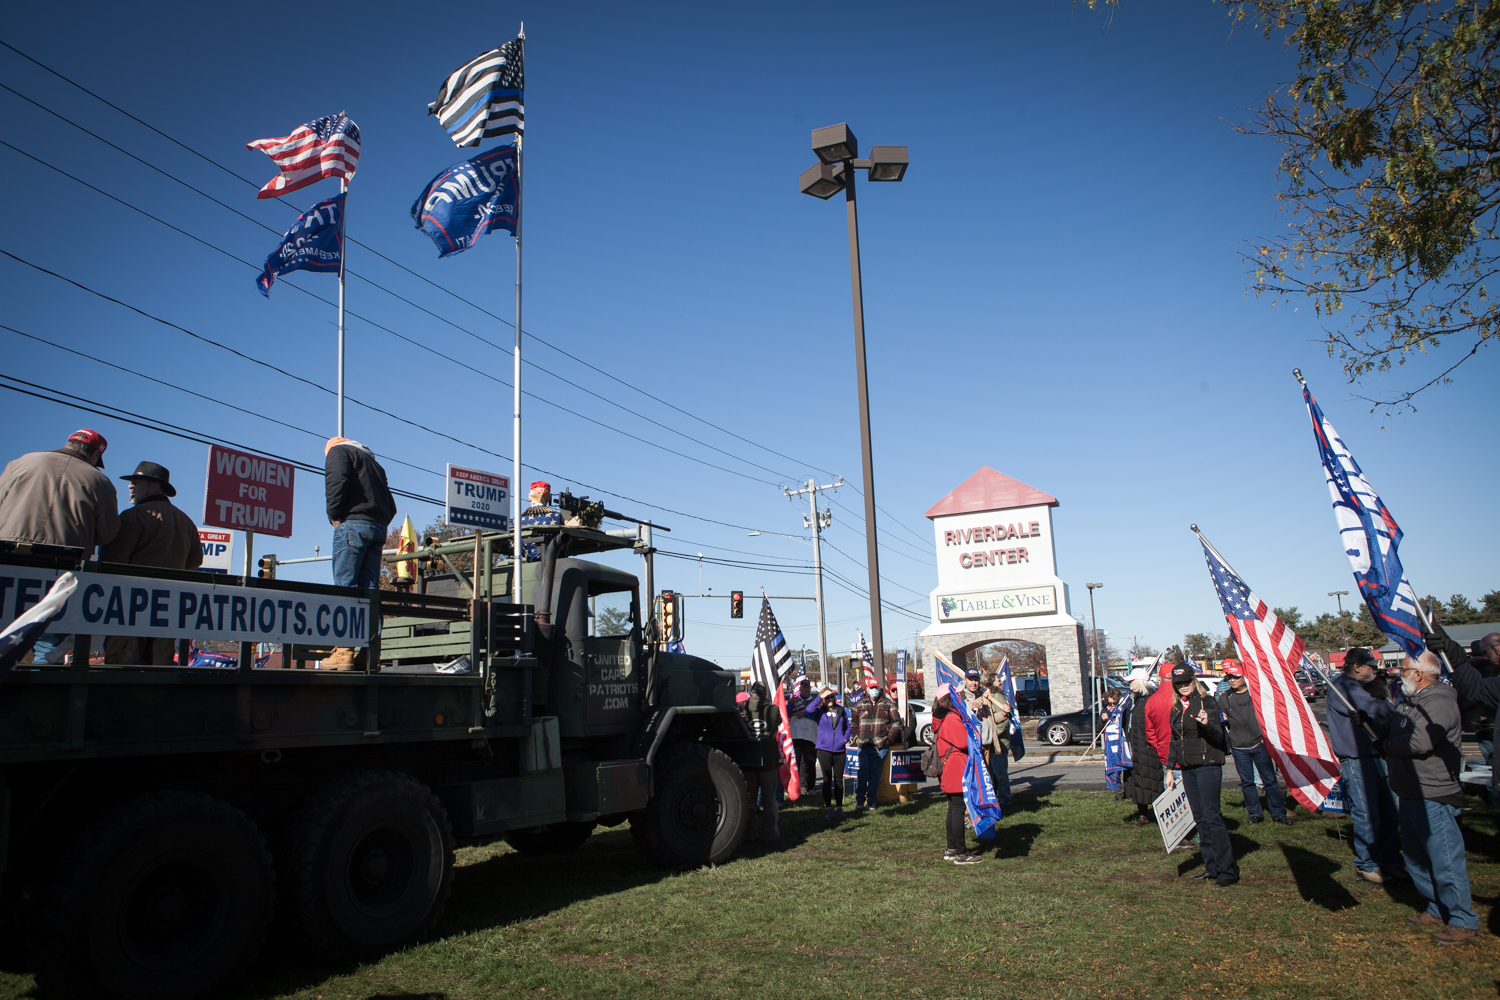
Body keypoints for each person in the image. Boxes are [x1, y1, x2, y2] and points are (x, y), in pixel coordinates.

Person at [0, 429, 119, 664]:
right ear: (95, 455)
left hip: (7, 562)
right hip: (61, 572)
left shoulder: (22, 462)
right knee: (49, 645)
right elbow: (108, 534)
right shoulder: (100, 481)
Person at [1384, 651, 1477, 945]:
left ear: (1419, 675)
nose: (1400, 674)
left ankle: (1462, 919)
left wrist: (1385, 744)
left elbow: (1420, 743)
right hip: (1411, 791)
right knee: (1416, 856)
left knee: (1444, 858)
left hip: (1433, 792)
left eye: (1404, 670)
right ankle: (1437, 907)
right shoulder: (1413, 703)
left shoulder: (1438, 701)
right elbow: (1396, 732)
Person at [99, 462, 202, 665]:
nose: (130, 486)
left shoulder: (135, 516)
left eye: (136, 482)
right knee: (159, 667)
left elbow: (112, 562)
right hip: (166, 609)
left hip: (130, 607)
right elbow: (195, 561)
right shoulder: (186, 521)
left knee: (122, 668)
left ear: (155, 486)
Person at [1326, 647, 1405, 883]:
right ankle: (1366, 865)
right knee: (1367, 813)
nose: (1374, 670)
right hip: (1357, 760)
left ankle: (1391, 861)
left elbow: (1375, 716)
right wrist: (1403, 711)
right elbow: (1375, 707)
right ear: (1357, 666)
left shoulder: (1360, 686)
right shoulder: (1343, 687)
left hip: (1377, 755)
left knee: (1390, 811)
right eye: (1370, 666)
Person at [323, 437, 396, 669]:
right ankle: (370, 655)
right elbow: (391, 504)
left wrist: (334, 515)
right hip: (377, 527)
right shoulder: (374, 464)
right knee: (371, 591)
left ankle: (344, 652)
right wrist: (380, 520)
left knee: (344, 587)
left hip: (352, 525)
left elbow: (337, 481)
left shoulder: (337, 451)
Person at [1165, 664, 1238, 886]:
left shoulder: (1208, 703)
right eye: (1178, 683)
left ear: (1193, 680)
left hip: (1208, 766)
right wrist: (1169, 769)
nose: (1183, 686)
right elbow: (1175, 740)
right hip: (1187, 768)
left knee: (1212, 817)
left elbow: (1219, 738)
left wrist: (1206, 725)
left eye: (1186, 682)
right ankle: (1211, 867)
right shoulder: (1177, 707)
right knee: (1200, 819)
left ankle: (1227, 871)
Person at [1428, 626, 1500, 811]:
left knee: (1474, 767)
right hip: (1476, 728)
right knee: (1475, 767)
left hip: (1474, 727)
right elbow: (1477, 688)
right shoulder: (1488, 676)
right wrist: (1455, 656)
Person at [1219, 661, 1291, 826]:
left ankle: (1279, 813)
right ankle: (1255, 814)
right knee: (1247, 782)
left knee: (1269, 779)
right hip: (1239, 746)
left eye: (1236, 676)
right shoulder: (1224, 699)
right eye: (1229, 677)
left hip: (1260, 743)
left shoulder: (1257, 693)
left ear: (1244, 676)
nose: (1232, 680)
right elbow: (1223, 721)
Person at [933, 692, 984, 864]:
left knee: (953, 808)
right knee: (957, 810)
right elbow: (963, 742)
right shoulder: (952, 718)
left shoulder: (944, 717)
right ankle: (961, 853)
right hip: (955, 768)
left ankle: (951, 848)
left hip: (950, 768)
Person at [962, 668, 1012, 809]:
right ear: (965, 680)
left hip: (988, 745)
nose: (973, 682)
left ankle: (989, 806)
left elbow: (990, 720)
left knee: (987, 780)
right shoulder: (961, 698)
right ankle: (971, 809)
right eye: (970, 679)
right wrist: (972, 709)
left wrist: (1003, 713)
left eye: (976, 680)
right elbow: (962, 722)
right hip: (973, 747)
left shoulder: (985, 697)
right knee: (974, 780)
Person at [1121, 666, 1165, 827]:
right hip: (1136, 749)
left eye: (1132, 681)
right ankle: (1143, 815)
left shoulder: (1150, 700)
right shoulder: (1134, 701)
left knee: (1153, 782)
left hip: (1148, 749)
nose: (1129, 684)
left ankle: (1162, 814)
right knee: (1138, 782)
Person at [849, 679, 900, 812]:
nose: (874, 690)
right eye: (871, 687)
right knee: (862, 772)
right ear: (867, 689)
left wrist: (888, 740)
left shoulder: (888, 704)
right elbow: (853, 723)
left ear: (879, 688)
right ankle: (860, 801)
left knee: (875, 774)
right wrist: (856, 738)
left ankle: (871, 801)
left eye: (875, 687)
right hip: (864, 745)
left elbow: (896, 723)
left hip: (880, 745)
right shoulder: (860, 704)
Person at [744, 681, 783, 842]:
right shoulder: (773, 710)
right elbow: (778, 723)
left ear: (751, 693)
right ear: (764, 694)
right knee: (769, 799)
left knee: (750, 800)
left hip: (749, 761)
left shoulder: (743, 709)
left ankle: (749, 833)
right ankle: (770, 833)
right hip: (768, 762)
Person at [805, 685, 851, 820]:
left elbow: (848, 726)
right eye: (827, 697)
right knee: (826, 779)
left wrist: (845, 739)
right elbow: (808, 709)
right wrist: (821, 697)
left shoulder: (841, 710)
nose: (830, 699)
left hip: (839, 749)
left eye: (832, 696)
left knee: (838, 780)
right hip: (824, 749)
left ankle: (839, 808)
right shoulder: (819, 711)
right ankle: (828, 808)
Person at [787, 676, 818, 800]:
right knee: (796, 762)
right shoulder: (794, 700)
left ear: (810, 689)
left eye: (807, 688)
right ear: (800, 689)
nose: (806, 690)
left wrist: (804, 715)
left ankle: (810, 786)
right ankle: (796, 786)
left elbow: (817, 716)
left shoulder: (815, 701)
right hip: (796, 734)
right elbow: (787, 714)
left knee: (810, 761)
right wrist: (791, 705)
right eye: (804, 687)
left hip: (810, 735)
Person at [518, 480, 562, 561]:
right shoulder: (557, 517)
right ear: (548, 496)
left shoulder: (518, 519)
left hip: (530, 561)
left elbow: (513, 545)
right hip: (555, 563)